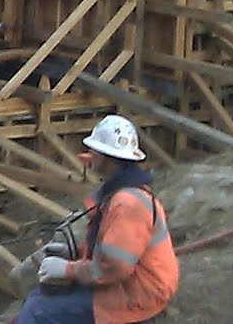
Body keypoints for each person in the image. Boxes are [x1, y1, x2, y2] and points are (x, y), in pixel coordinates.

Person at [13, 115, 178, 324]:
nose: (89, 154)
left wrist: (68, 269)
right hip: (131, 283)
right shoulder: (119, 193)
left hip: (139, 293)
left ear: (108, 157)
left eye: (94, 149)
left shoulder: (128, 204)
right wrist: (76, 254)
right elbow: (110, 249)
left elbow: (115, 268)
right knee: (38, 296)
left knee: (37, 311)